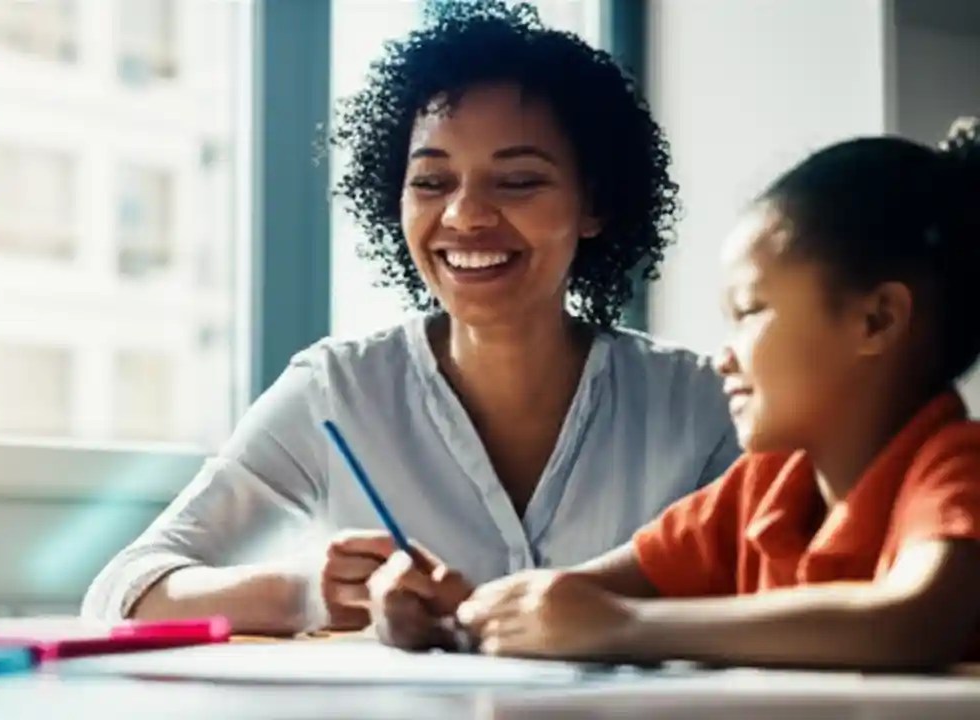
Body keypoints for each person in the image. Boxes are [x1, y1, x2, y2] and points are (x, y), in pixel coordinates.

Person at [80, 0, 737, 635]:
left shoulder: (699, 407)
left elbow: (785, 594)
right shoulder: (336, 392)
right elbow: (123, 592)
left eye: (517, 182)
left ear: (595, 204)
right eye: (431, 182)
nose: (465, 215)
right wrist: (306, 593)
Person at [439, 118, 980, 669]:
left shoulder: (957, 467)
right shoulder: (761, 487)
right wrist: (452, 615)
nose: (724, 355)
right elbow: (567, 599)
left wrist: (627, 626)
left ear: (876, 320)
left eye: (749, 313)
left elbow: (912, 622)